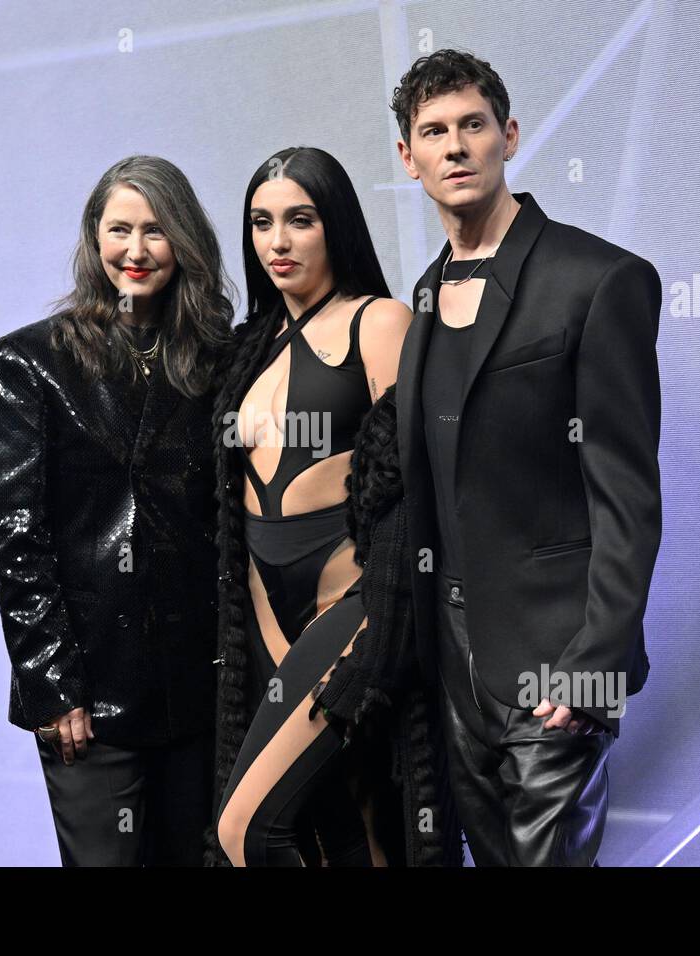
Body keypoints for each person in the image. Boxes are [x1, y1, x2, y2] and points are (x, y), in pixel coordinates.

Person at [390, 49, 663, 866]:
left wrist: (593, 670)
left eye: (473, 125)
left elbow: (628, 500)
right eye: (433, 132)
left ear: (508, 135)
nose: (456, 146)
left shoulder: (598, 278)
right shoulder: (426, 295)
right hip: (453, 671)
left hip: (558, 667)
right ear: (408, 158)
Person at [0, 155, 234, 865]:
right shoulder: (31, 361)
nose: (136, 249)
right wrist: (52, 684)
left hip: (204, 690)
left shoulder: (221, 359)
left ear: (183, 240)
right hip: (88, 696)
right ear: (95, 239)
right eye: (119, 228)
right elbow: (18, 540)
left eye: (155, 230)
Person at [207, 146, 451, 866]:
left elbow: (411, 491)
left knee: (247, 830)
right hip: (262, 617)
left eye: (300, 220)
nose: (278, 242)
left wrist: (383, 632)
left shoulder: (378, 322)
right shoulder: (248, 348)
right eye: (261, 222)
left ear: (334, 225)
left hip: (350, 608)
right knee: (336, 827)